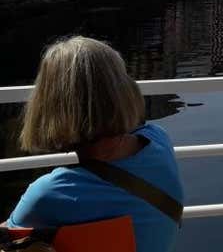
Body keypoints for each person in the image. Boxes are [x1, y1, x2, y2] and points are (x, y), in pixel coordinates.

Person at [4, 37, 183, 252]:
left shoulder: (48, 194)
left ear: (49, 106)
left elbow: (7, 239)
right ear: (125, 92)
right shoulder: (159, 141)